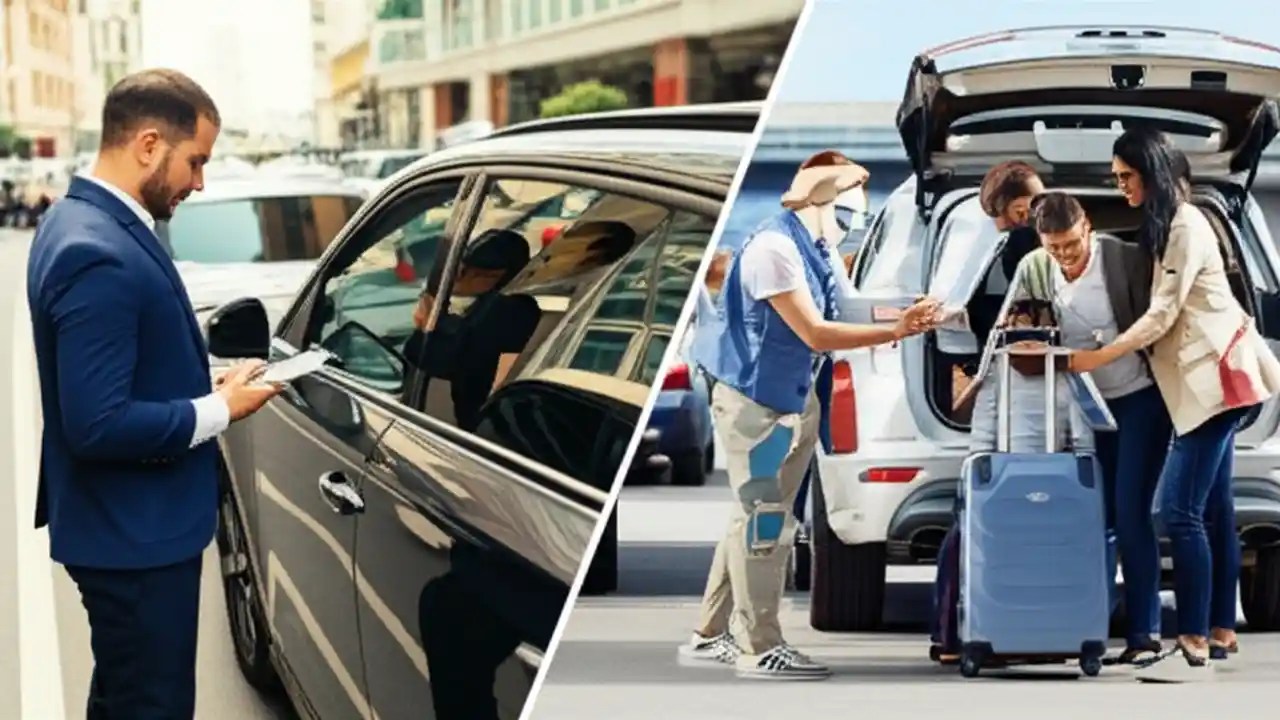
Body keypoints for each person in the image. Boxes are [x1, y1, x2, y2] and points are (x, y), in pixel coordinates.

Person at [25, 69, 283, 718]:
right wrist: (217, 409)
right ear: (147, 144)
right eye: (195, 161)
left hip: (126, 529)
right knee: (153, 706)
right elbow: (98, 423)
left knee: (124, 696)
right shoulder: (97, 250)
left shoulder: (86, 220)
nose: (200, 181)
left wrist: (203, 384)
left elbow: (120, 371)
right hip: (133, 537)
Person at [679, 150, 941, 680]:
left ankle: (709, 636)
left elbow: (846, 307)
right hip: (758, 405)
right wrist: (898, 330)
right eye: (846, 216)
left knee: (751, 517)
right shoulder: (773, 250)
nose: (849, 227)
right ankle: (759, 647)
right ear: (821, 202)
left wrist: (914, 309)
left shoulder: (817, 247)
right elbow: (817, 332)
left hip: (790, 399)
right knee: (766, 522)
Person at [1069, 126, 1280, 680]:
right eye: (1116, 180)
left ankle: (1191, 639)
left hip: (1213, 385)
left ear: (1151, 170)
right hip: (1210, 383)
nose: (1121, 189)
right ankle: (1217, 630)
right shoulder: (1176, 225)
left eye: (1126, 177)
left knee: (1177, 512)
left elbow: (1163, 314)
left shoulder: (1186, 226)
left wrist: (1100, 356)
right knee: (1214, 510)